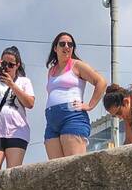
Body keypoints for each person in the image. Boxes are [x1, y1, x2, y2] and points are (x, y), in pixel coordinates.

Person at [44, 32, 106, 160]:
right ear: (55, 48)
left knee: (73, 166)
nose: (67, 46)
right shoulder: (51, 71)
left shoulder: (77, 65)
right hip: (51, 120)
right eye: (62, 44)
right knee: (55, 170)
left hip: (72, 117)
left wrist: (89, 105)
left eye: (70, 44)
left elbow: (101, 82)